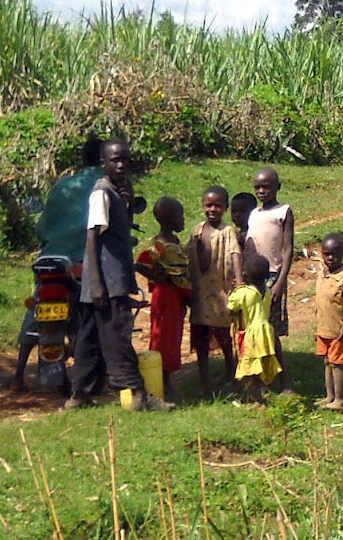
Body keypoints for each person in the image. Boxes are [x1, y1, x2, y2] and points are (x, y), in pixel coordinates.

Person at [66, 139, 172, 412]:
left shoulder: (116, 191)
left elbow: (116, 229)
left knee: (89, 338)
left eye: (125, 159)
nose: (121, 164)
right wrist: (98, 285)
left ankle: (78, 396)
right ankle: (138, 394)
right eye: (115, 160)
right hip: (105, 280)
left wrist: (127, 202)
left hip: (104, 279)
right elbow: (92, 239)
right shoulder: (101, 192)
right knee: (117, 337)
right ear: (103, 164)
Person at [10, 136, 102, 392]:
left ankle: (18, 376)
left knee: (37, 306)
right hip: (82, 262)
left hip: (50, 260)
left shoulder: (64, 185)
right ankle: (89, 374)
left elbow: (42, 227)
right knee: (90, 313)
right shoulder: (106, 184)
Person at [242, 168, 294, 392]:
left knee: (271, 331)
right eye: (258, 187)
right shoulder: (253, 214)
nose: (262, 191)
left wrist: (281, 281)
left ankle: (284, 380)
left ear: (278, 187)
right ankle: (261, 378)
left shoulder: (283, 212)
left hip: (273, 277)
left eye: (267, 186)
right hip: (252, 279)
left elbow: (289, 249)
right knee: (254, 329)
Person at [137, 196, 192, 402]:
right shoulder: (159, 245)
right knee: (163, 338)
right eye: (180, 216)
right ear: (169, 219)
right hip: (166, 296)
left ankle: (166, 381)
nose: (183, 220)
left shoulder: (175, 242)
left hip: (177, 296)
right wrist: (159, 277)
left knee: (174, 337)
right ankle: (163, 383)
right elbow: (140, 264)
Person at [188, 186, 239, 397]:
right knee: (201, 338)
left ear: (225, 207)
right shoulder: (197, 230)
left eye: (218, 205)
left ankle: (231, 370)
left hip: (219, 292)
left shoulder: (227, 231)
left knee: (224, 336)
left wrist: (240, 281)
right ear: (202, 206)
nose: (213, 209)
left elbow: (235, 253)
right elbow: (186, 252)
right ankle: (203, 377)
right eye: (208, 205)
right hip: (199, 293)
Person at [314, 232, 343, 411]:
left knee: (337, 364)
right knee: (327, 362)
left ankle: (339, 399)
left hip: (337, 329)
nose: (331, 258)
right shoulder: (322, 275)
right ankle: (329, 396)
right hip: (323, 328)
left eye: (335, 254)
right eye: (327, 254)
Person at [227, 254, 280, 404]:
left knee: (247, 370)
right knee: (265, 362)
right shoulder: (267, 291)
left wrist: (234, 289)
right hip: (267, 331)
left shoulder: (244, 293)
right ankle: (268, 391)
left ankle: (258, 400)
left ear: (245, 274)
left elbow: (231, 307)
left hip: (252, 334)